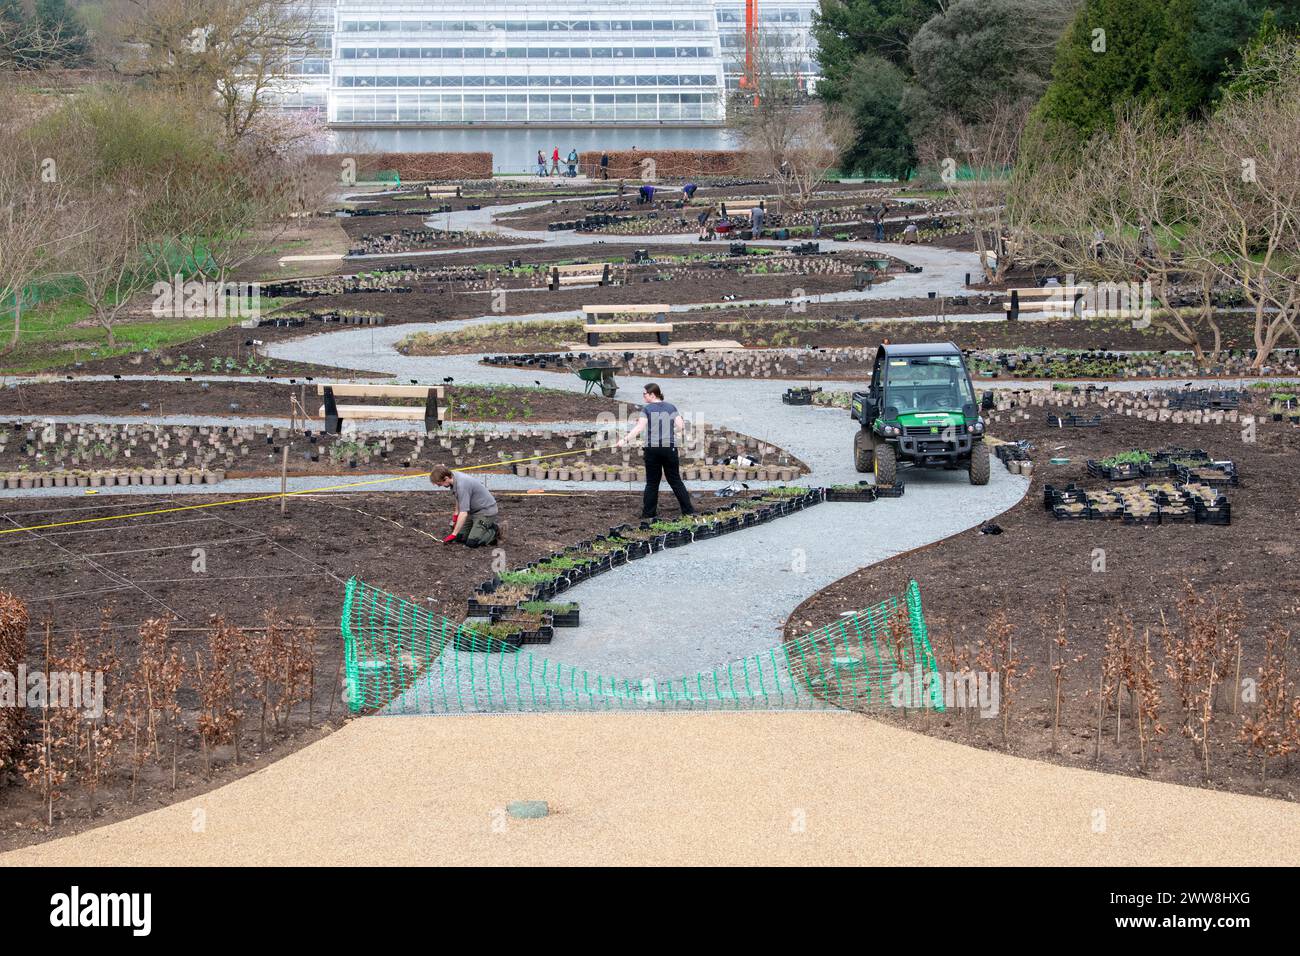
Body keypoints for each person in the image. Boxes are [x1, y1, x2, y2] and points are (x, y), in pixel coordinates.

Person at [615, 383, 695, 520]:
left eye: (644, 394)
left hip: (652, 449)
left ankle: (648, 514)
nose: (643, 396)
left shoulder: (647, 409)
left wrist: (623, 441)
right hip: (669, 448)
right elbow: (681, 426)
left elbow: (639, 428)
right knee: (675, 481)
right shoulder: (671, 407)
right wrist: (671, 432)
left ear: (653, 394)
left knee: (652, 483)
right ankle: (688, 511)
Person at [430, 465, 499, 547]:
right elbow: (459, 497)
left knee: (472, 543)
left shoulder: (462, 485)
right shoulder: (453, 477)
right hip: (473, 511)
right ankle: (478, 528)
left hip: (486, 511)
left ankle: (494, 531)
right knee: (460, 538)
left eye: (439, 484)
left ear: (446, 478)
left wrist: (453, 534)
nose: (439, 486)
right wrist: (455, 515)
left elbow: (464, 513)